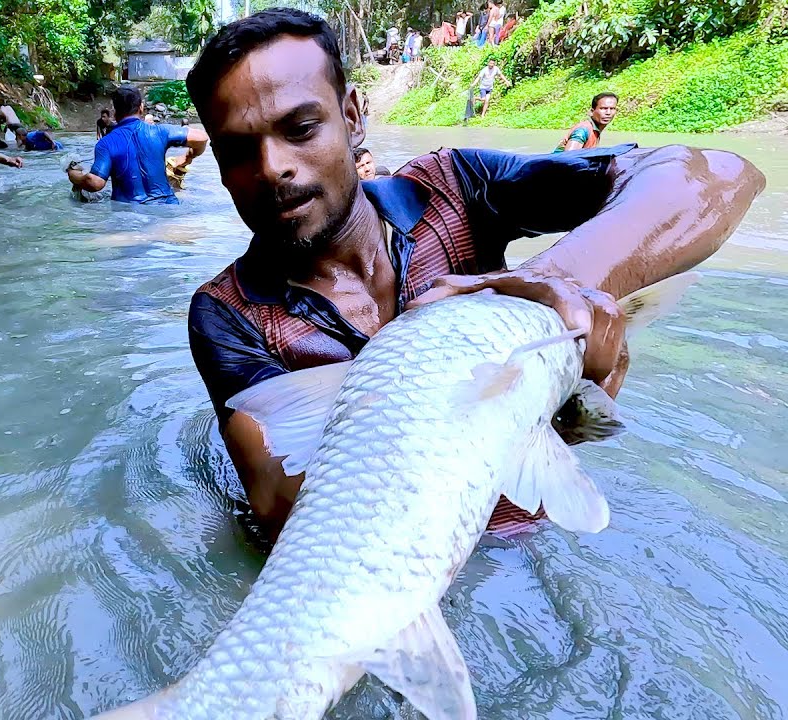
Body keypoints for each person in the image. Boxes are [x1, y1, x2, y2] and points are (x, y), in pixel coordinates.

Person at [181, 8, 764, 542]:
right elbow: (283, 506)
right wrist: (520, 389)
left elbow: (715, 175)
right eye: (237, 151)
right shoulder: (227, 312)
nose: (272, 166)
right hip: (393, 577)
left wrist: (547, 298)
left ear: (353, 119)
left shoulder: (455, 187)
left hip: (531, 542)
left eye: (301, 128)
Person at [66, 84, 209, 205]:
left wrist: (74, 175)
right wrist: (187, 157)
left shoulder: (106, 143)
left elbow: (94, 182)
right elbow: (201, 138)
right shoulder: (160, 132)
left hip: (130, 219)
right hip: (169, 208)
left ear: (115, 113)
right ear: (141, 108)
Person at [555, 92, 619, 153]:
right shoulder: (582, 131)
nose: (608, 113)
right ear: (592, 111)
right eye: (603, 108)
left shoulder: (595, 130)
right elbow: (568, 158)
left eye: (612, 109)